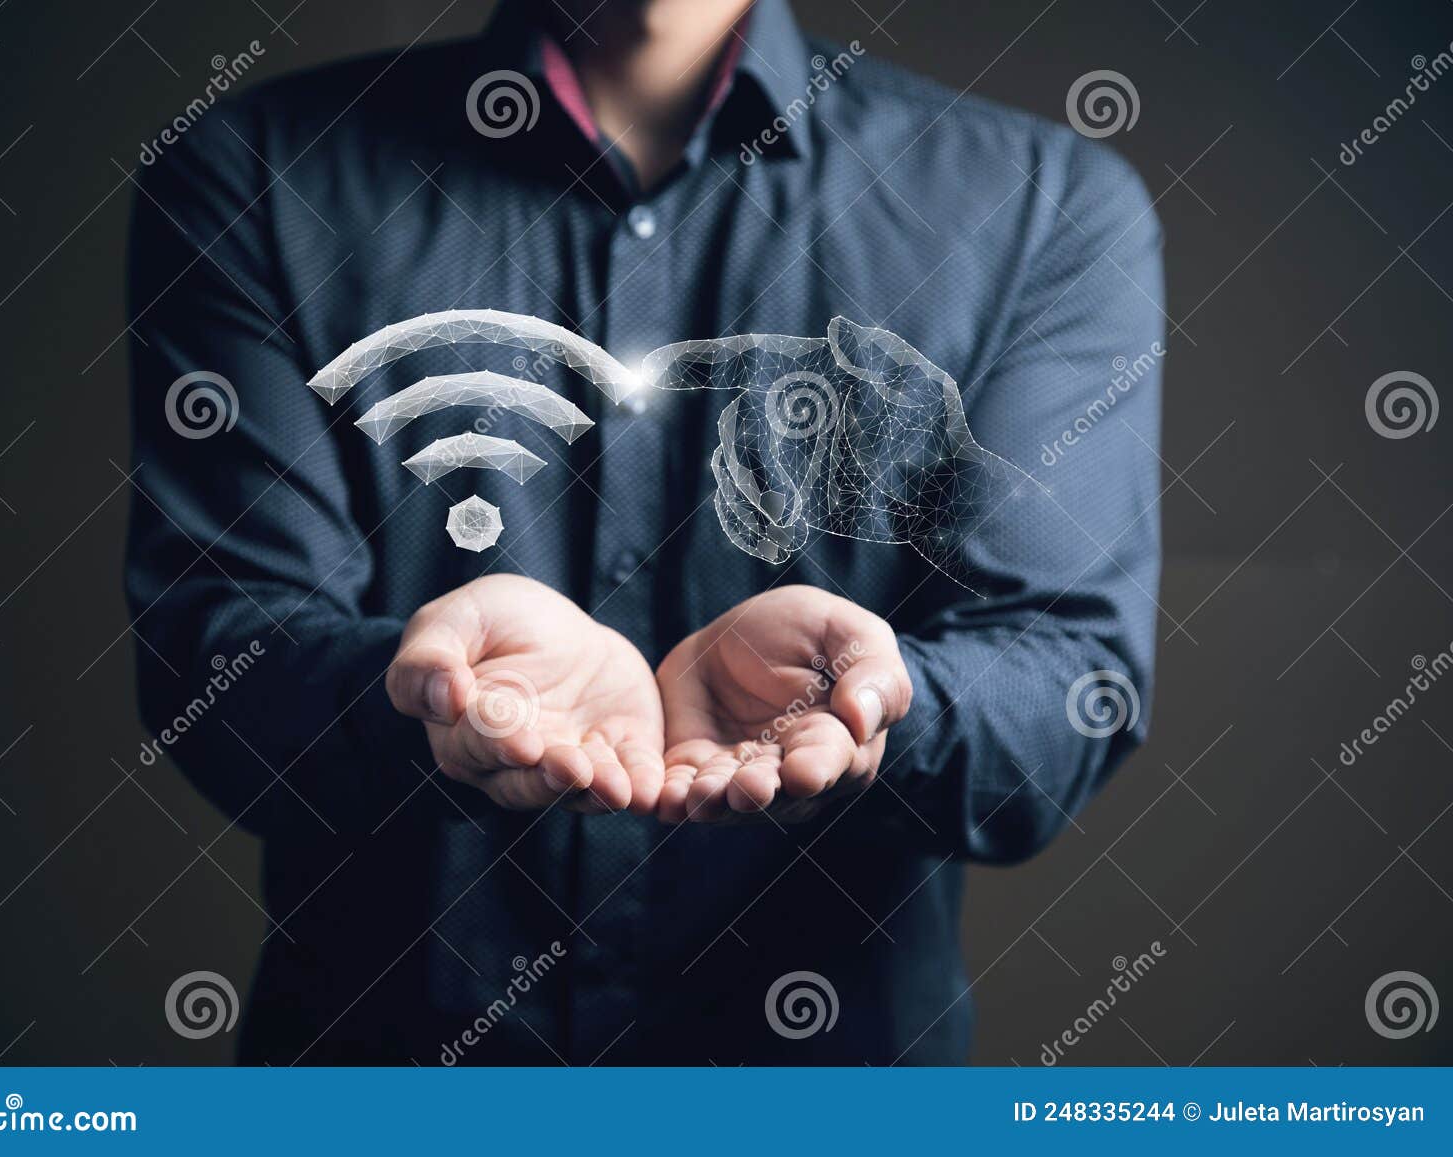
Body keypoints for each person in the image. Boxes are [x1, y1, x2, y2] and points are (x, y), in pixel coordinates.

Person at [125, 0, 1163, 1064]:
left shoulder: (1040, 207)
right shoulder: (255, 173)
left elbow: (1069, 678)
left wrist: (876, 702)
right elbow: (214, 657)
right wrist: (419, 690)